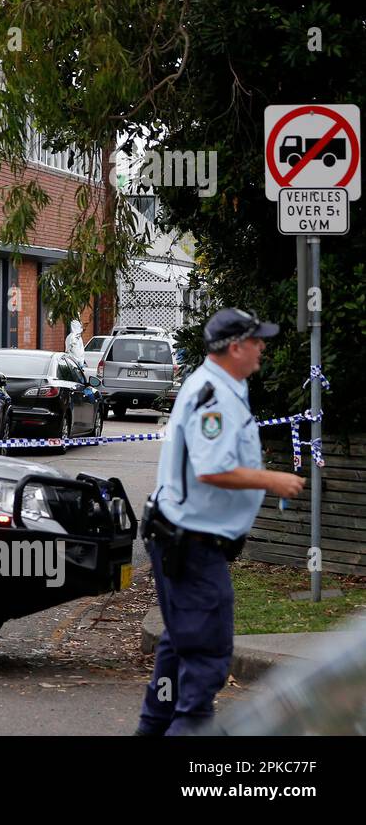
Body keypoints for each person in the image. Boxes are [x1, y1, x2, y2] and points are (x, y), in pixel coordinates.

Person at [136, 308, 305, 736]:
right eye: (257, 340)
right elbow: (212, 469)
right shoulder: (215, 395)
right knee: (207, 655)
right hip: (193, 545)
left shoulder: (220, 386)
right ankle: (188, 729)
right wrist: (274, 480)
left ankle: (153, 727)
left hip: (182, 538)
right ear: (235, 347)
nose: (262, 347)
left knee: (179, 642)